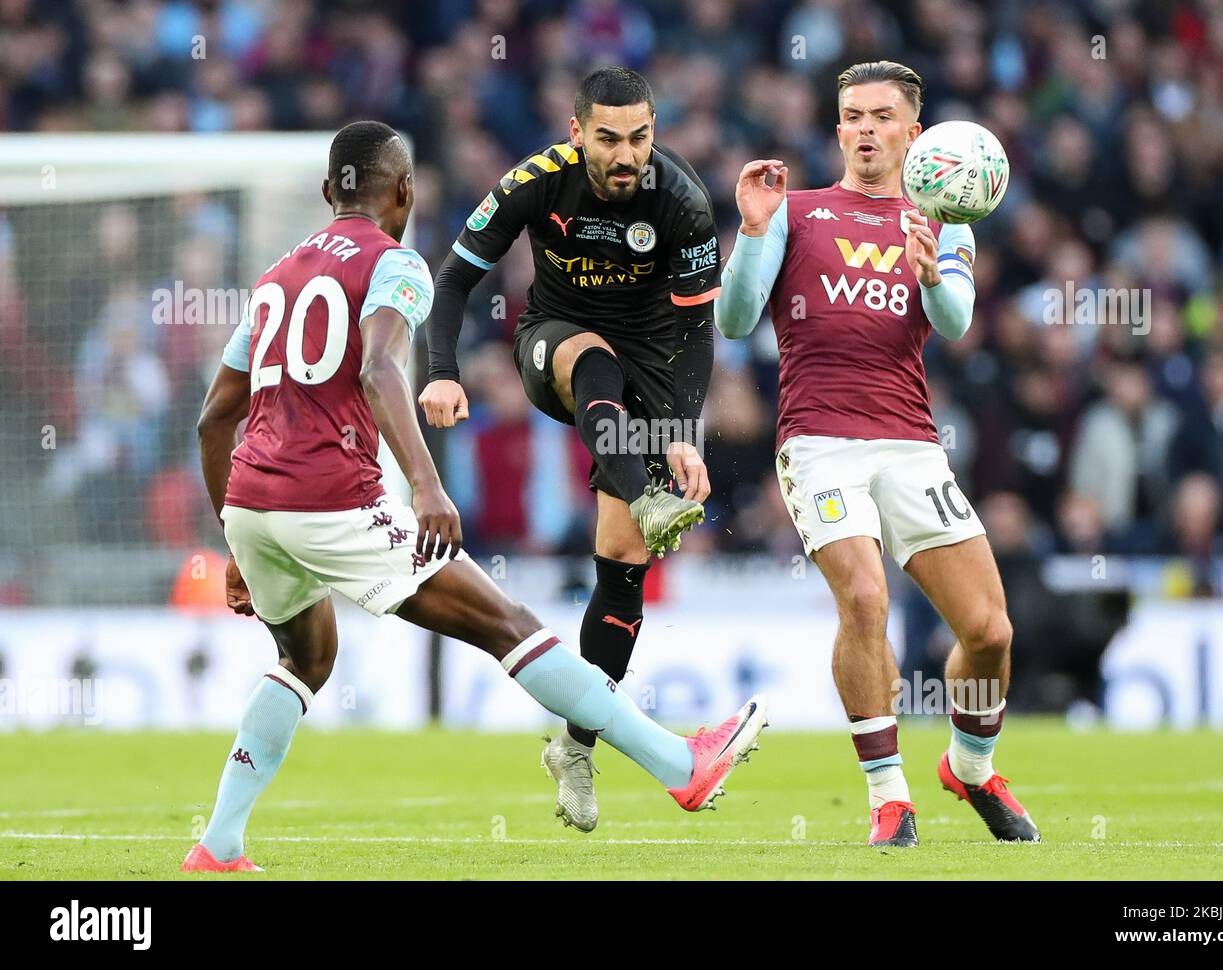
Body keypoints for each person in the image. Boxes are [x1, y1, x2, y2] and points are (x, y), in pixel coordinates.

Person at [185, 120, 766, 872]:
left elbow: (213, 418)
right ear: (405, 191)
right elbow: (379, 370)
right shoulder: (395, 264)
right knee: (509, 625)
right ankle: (680, 767)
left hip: (252, 505)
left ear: (329, 192)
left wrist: (235, 538)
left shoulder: (274, 279)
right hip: (330, 501)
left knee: (304, 659)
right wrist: (428, 485)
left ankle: (219, 844)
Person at [717, 61, 1038, 846]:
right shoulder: (796, 212)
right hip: (819, 442)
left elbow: (955, 322)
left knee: (990, 631)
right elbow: (734, 321)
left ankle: (969, 768)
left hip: (911, 446)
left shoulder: (944, 220)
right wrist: (752, 232)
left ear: (913, 134)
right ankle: (889, 796)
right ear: (838, 130)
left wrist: (931, 277)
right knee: (864, 599)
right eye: (853, 116)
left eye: (882, 116)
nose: (865, 129)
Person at [420, 68, 721, 832]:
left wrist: (682, 434)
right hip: (552, 347)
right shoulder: (535, 182)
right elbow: (452, 280)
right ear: (577, 131)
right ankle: (648, 497)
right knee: (592, 358)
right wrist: (443, 373)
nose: (626, 155)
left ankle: (577, 748)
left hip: (648, 367)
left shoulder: (682, 202)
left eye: (640, 137)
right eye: (609, 139)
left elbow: (695, 332)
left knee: (623, 566)